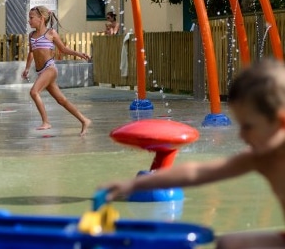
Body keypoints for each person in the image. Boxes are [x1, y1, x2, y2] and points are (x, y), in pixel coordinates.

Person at [100, 59, 285, 249]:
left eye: (248, 127)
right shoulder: (261, 157)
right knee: (229, 244)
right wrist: (135, 184)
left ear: (280, 122)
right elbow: (196, 172)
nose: (241, 135)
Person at [21, 5, 92, 135]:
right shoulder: (31, 35)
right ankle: (84, 120)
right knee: (61, 100)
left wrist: (80, 54)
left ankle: (46, 122)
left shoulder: (51, 33)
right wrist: (26, 68)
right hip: (41, 71)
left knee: (34, 92)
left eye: (31, 18)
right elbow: (31, 53)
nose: (29, 21)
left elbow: (63, 49)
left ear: (41, 19)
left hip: (50, 69)